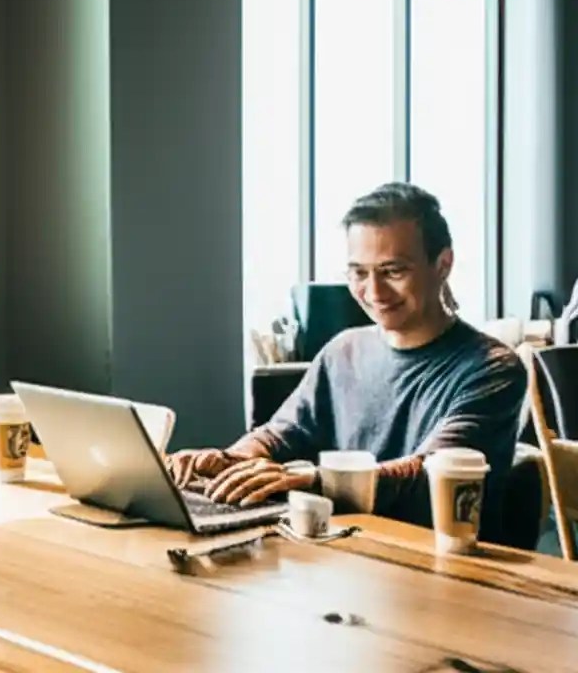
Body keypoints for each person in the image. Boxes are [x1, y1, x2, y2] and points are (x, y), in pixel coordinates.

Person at [167, 183, 525, 543]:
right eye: (359, 273)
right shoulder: (343, 351)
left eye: (393, 271)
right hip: (343, 556)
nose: (374, 292)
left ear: (442, 264)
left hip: (436, 566)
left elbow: (429, 475)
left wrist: (314, 480)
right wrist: (227, 461)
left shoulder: (493, 369)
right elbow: (283, 434)